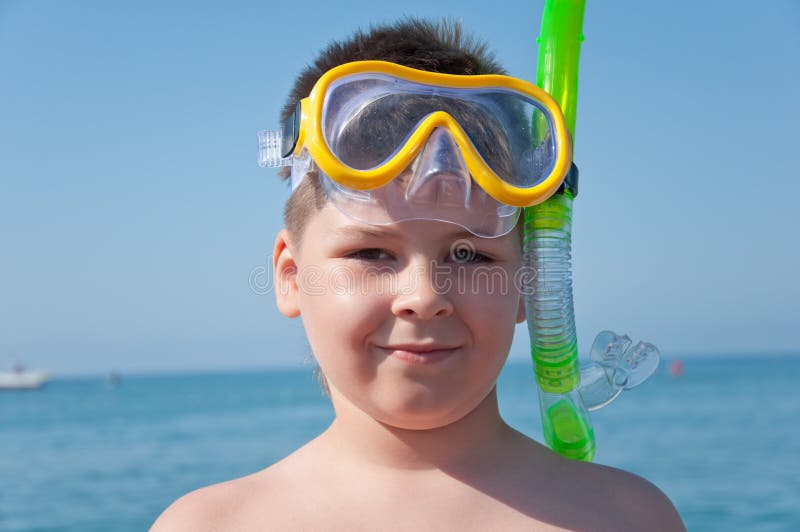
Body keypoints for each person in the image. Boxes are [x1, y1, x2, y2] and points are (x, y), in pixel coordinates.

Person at [152, 18, 685, 531]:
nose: (424, 297)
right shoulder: (210, 526)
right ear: (292, 276)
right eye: (372, 253)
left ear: (531, 281)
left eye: (470, 256)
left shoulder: (628, 518)